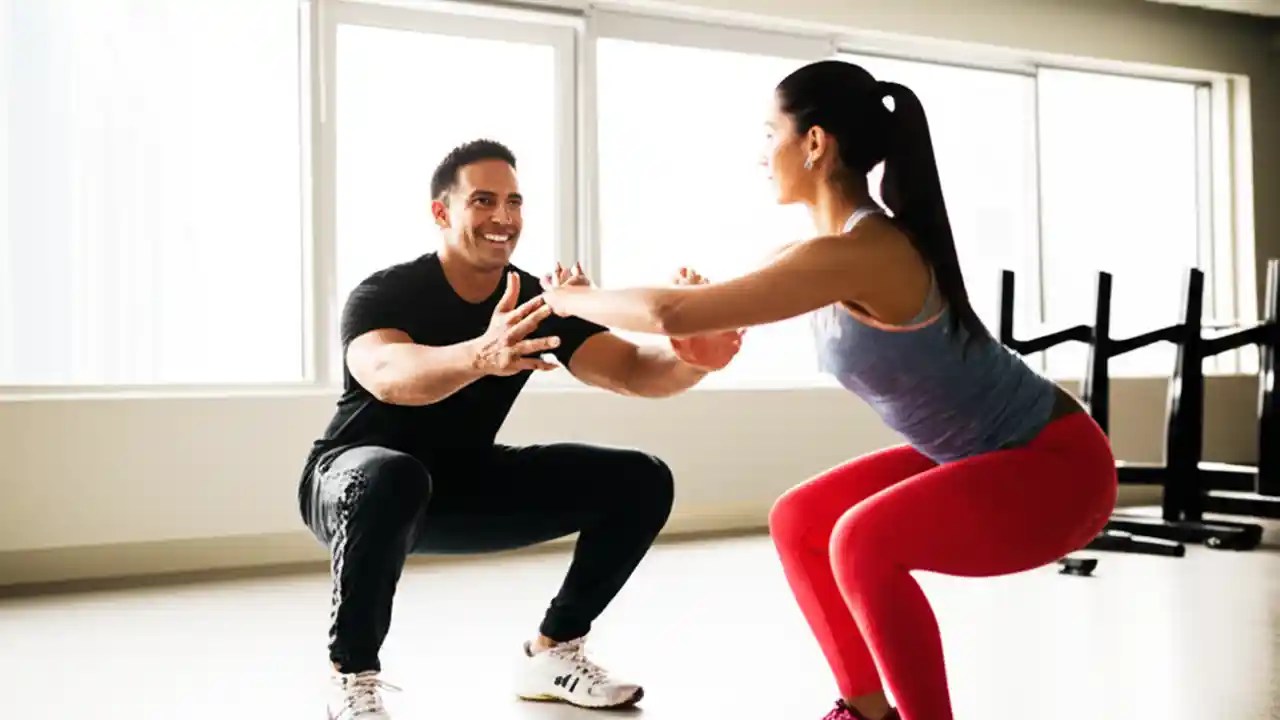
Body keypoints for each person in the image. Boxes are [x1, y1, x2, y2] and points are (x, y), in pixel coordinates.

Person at [540, 60, 1118, 720]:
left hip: (1056, 468)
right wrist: (705, 344)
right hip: (979, 456)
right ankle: (867, 711)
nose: (761, 154)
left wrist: (564, 297)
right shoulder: (816, 254)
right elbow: (690, 322)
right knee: (801, 520)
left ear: (814, 142)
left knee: (862, 540)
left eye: (768, 133)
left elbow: (671, 310)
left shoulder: (866, 251)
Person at [298, 139, 743, 720]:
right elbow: (388, 375)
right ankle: (350, 676)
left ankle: (552, 652)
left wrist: (695, 357)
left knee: (641, 479)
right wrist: (479, 354)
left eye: (514, 201)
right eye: (483, 200)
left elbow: (632, 371)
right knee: (393, 473)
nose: (503, 218)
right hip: (351, 483)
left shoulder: (537, 298)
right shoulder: (388, 291)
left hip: (457, 484)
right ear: (442, 212)